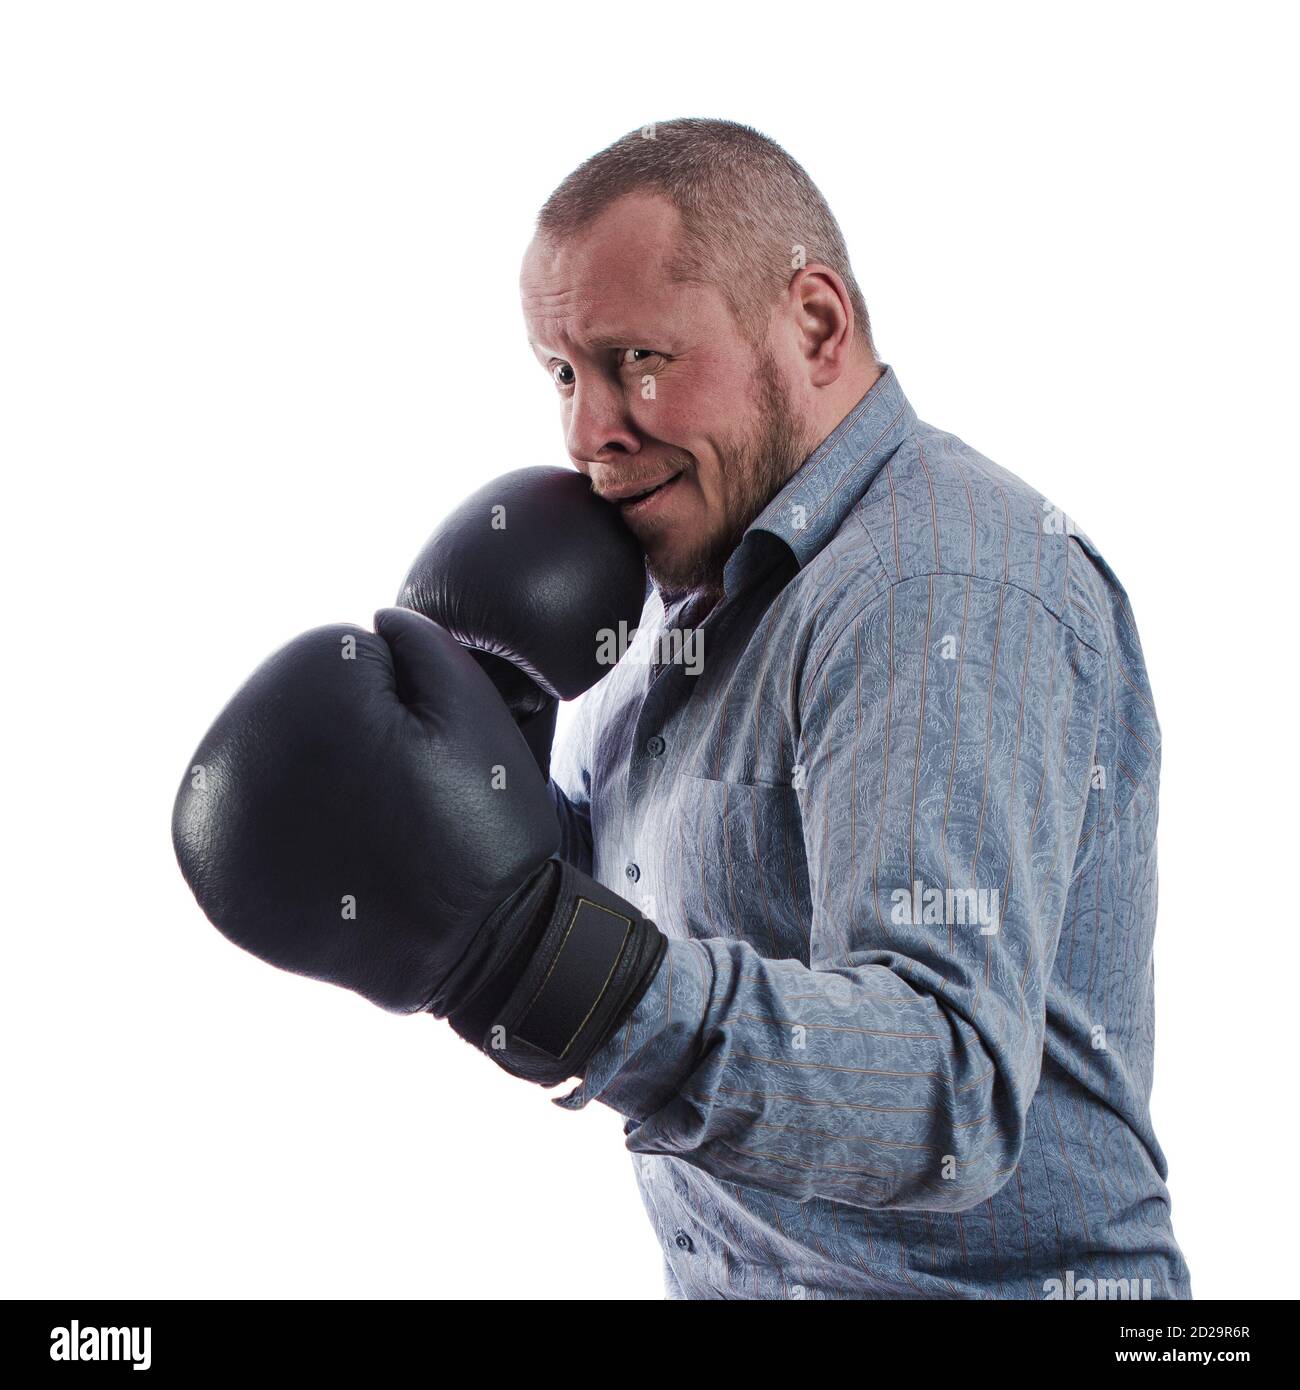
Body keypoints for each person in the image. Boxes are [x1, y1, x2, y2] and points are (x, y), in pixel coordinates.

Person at [174, 118, 1191, 1300]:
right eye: (563, 373)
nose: (587, 433)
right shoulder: (690, 570)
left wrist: (535, 963)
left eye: (636, 362)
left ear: (814, 323)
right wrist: (492, 820)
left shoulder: (938, 583)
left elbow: (943, 1091)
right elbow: (684, 925)